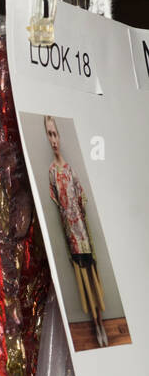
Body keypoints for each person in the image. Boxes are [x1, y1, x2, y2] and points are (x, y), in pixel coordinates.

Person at [46, 116, 109, 347]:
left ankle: (101, 323)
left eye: (55, 134)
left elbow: (81, 196)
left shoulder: (70, 169)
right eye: (49, 134)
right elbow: (58, 204)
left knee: (93, 276)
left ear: (59, 136)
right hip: (72, 236)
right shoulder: (51, 172)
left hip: (84, 232)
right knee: (82, 280)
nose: (53, 139)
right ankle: (94, 325)